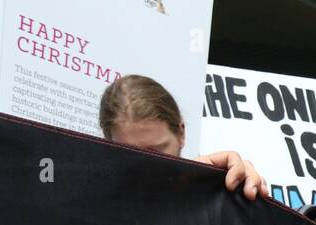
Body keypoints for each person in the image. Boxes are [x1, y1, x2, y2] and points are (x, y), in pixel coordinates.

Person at [99, 74, 266, 200]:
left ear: (181, 134)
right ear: (107, 144)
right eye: (128, 154)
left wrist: (236, 197)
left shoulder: (210, 198)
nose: (146, 169)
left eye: (157, 153)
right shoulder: (88, 206)